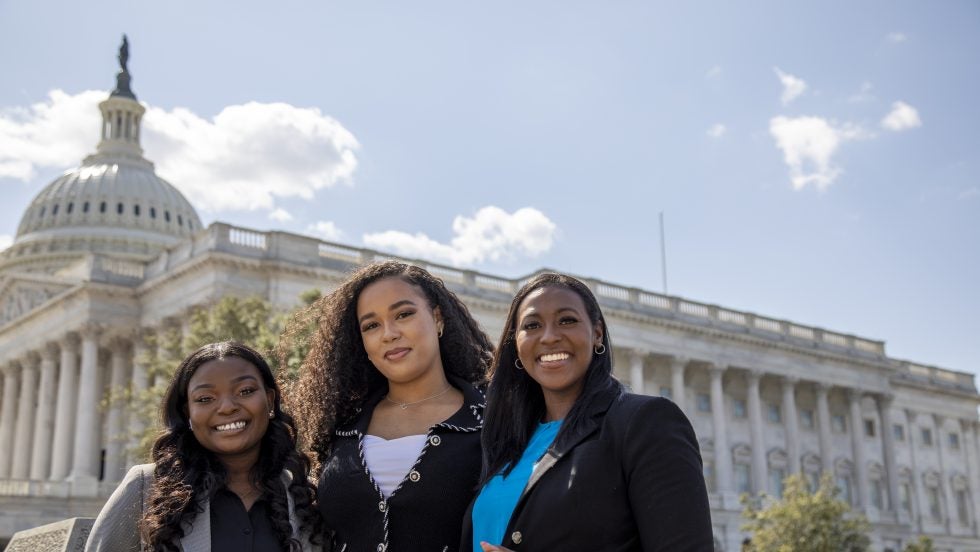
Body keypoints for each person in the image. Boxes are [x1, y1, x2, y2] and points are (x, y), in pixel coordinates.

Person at [466, 273, 713, 551]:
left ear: (597, 333)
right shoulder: (503, 440)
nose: (549, 337)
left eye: (567, 320)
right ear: (516, 343)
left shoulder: (645, 422)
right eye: (532, 325)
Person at [282, 261, 494, 552]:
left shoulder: (493, 420)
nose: (388, 333)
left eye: (403, 314)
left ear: (438, 318)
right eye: (371, 325)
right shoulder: (341, 429)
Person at [86, 341, 320, 552]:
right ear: (188, 412)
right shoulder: (145, 488)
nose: (227, 407)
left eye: (245, 391)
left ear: (269, 400)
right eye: (205, 399)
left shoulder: (304, 499)